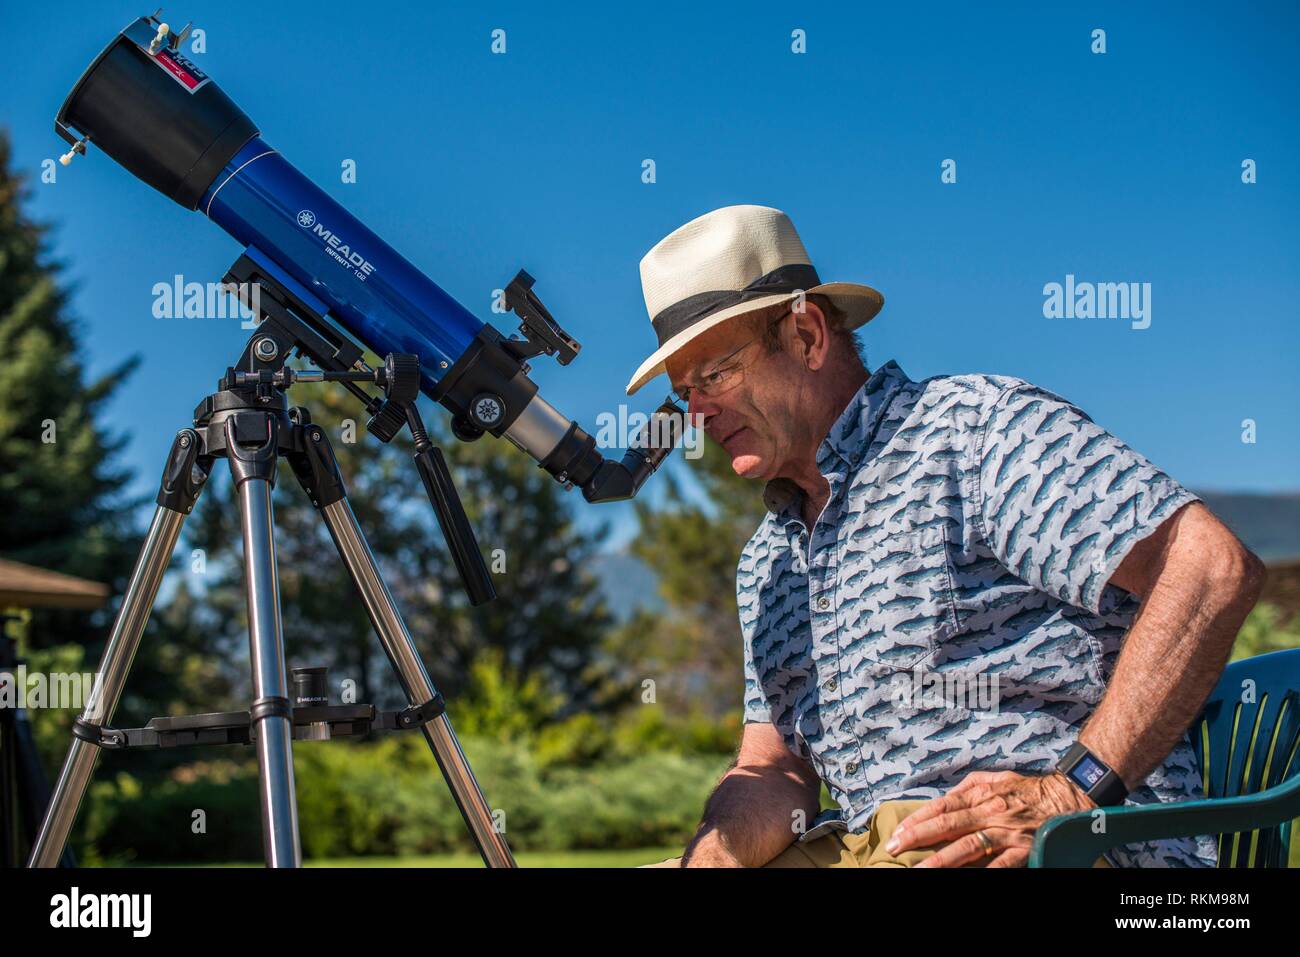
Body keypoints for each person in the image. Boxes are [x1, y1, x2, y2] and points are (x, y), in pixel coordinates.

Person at [628, 205, 1264, 868]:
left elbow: (1210, 566)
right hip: (865, 847)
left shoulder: (975, 429)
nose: (696, 414)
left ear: (808, 335)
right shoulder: (767, 562)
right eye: (684, 394)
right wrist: (710, 858)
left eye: (716, 375)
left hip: (1062, 848)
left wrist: (1073, 793)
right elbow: (776, 764)